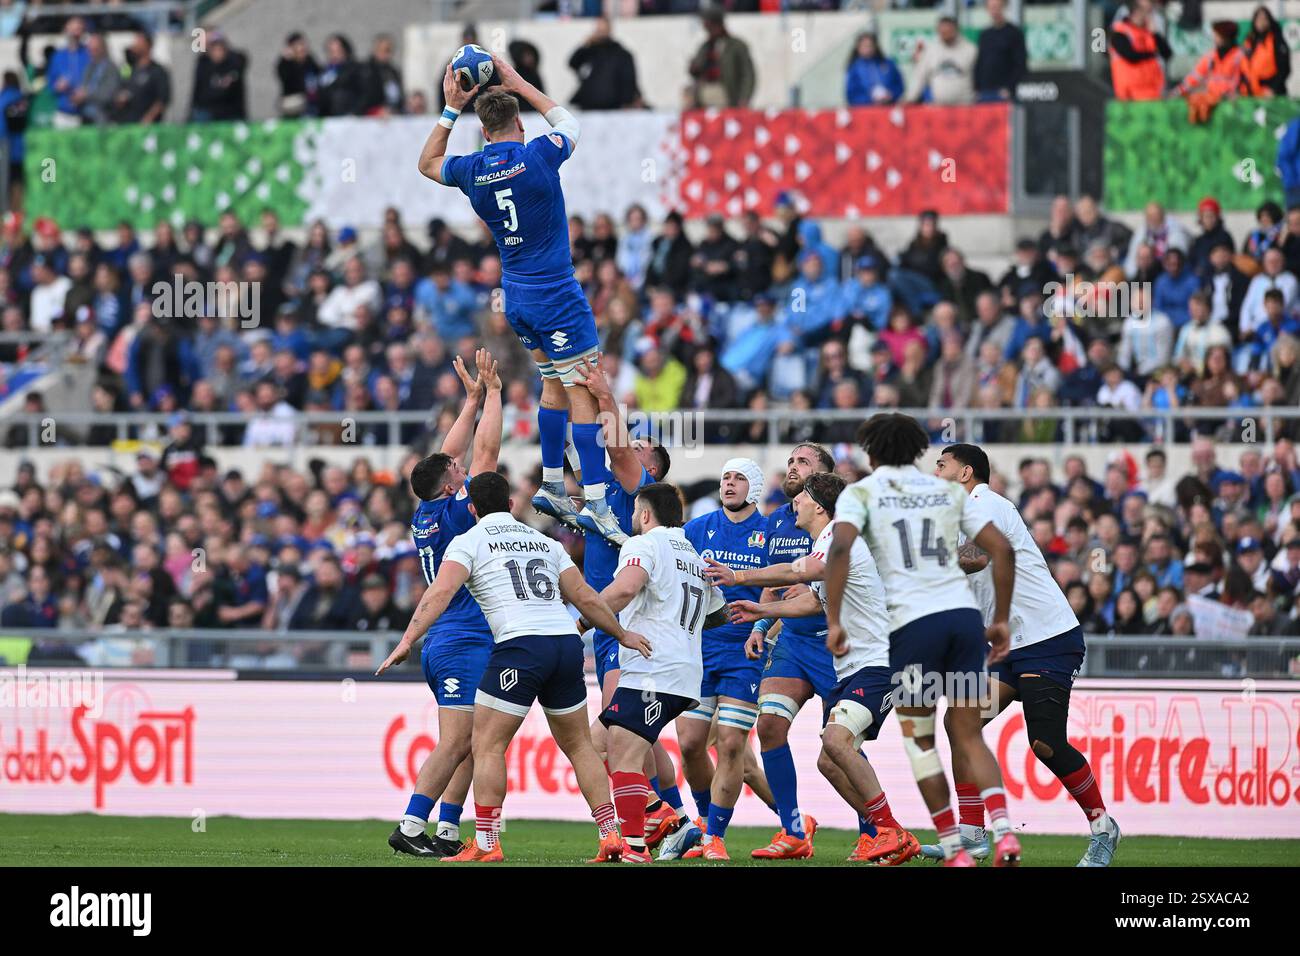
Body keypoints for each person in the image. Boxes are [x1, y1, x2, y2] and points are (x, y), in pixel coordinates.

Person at [376, 471, 649, 863]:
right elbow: (586, 597)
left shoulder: (467, 541)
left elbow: (439, 593)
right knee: (579, 746)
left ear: (472, 508)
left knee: (486, 745)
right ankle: (609, 833)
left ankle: (487, 843)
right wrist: (621, 634)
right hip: (566, 645)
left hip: (520, 647)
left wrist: (407, 641)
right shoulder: (545, 541)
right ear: (510, 505)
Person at [419, 54, 623, 543]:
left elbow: (426, 163)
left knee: (552, 382)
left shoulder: (472, 170)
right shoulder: (538, 155)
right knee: (585, 392)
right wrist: (517, 81)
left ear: (483, 132)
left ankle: (552, 484)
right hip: (556, 294)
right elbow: (569, 122)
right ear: (519, 124)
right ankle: (595, 498)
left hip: (515, 298)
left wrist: (450, 110)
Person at [823, 413, 1020, 867]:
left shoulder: (863, 493)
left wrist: (834, 619)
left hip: (916, 627)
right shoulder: (948, 491)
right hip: (964, 621)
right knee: (969, 734)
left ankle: (955, 847)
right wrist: (1003, 619)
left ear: (872, 452)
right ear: (916, 451)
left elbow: (838, 551)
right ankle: (1005, 831)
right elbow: (1001, 550)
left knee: (922, 738)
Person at [717, 469, 921, 865]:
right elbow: (812, 601)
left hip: (878, 664)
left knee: (835, 742)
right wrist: (763, 609)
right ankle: (888, 833)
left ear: (820, 506)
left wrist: (739, 576)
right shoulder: (828, 541)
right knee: (829, 758)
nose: (795, 501)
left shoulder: (839, 537)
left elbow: (801, 571)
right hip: (852, 667)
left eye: (803, 496)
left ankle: (889, 830)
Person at [933, 444, 1122, 866]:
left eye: (941, 465)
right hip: (1009, 644)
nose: (935, 472)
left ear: (965, 473)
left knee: (1045, 743)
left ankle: (1103, 827)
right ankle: (972, 835)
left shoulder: (985, 502)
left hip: (1049, 637)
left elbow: (980, 557)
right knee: (959, 719)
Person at [385, 350, 501, 858]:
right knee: (457, 742)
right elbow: (486, 457)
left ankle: (449, 830)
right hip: (461, 638)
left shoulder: (427, 511)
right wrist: (494, 395)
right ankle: (410, 826)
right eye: (458, 471)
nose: (461, 465)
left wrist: (470, 399)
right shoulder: (457, 512)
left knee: (475, 741)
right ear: (454, 486)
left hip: (456, 638)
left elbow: (445, 458)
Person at [567, 359, 679, 851]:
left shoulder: (641, 491)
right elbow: (591, 440)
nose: (627, 449)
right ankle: (670, 820)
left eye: (638, 449)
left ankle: (653, 820)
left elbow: (610, 441)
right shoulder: (611, 491)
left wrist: (605, 394)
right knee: (634, 738)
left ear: (649, 469)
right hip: (611, 620)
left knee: (610, 738)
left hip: (619, 620)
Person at [584, 482, 728, 863]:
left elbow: (623, 590)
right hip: (682, 671)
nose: (633, 519)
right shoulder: (694, 556)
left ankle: (634, 844)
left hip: (652, 669)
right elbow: (717, 615)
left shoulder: (644, 544)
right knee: (598, 743)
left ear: (645, 514)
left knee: (625, 758)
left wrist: (581, 623)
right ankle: (666, 820)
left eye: (634, 513)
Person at [676, 459, 771, 861]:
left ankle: (714, 836)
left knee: (732, 744)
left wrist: (762, 629)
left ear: (755, 487)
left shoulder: (771, 533)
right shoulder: (696, 530)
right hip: (699, 650)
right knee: (690, 744)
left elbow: (780, 590)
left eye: (738, 478)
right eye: (725, 477)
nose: (729, 483)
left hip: (744, 652)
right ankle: (707, 820)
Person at [1176, 20, 1249, 124]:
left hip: (1231, 104)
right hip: (1211, 103)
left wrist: (1240, 94)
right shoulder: (1211, 56)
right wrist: (1177, 92)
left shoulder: (1240, 55)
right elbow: (1194, 77)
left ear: (1225, 37)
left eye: (1217, 35)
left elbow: (1247, 78)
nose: (1214, 38)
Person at [569, 16, 642, 110]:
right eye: (598, 29)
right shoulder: (590, 51)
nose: (600, 32)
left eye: (602, 29)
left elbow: (629, 80)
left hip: (614, 106)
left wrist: (628, 101)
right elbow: (572, 63)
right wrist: (585, 45)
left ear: (609, 30)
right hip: (589, 105)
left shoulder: (621, 54)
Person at [688, 10, 755, 108]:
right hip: (704, 89)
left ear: (718, 25)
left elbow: (748, 74)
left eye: (710, 27)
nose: (708, 31)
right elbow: (697, 70)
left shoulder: (736, 46)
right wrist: (694, 68)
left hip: (726, 93)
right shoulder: (706, 47)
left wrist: (744, 98)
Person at [1108, 0, 1170, 100]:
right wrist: (1152, 54)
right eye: (1146, 10)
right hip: (1130, 96)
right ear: (1136, 12)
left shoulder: (1150, 32)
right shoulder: (1121, 32)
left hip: (1154, 94)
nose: (1149, 14)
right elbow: (1130, 55)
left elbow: (1167, 53)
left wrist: (1155, 34)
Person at [906, 16, 976, 105]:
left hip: (965, 108)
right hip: (939, 108)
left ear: (956, 29)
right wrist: (909, 98)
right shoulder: (931, 50)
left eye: (948, 31)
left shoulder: (970, 49)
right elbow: (919, 77)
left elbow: (979, 78)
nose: (945, 34)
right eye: (942, 31)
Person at [974, 0, 1026, 102]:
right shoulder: (985, 34)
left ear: (1004, 7)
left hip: (1004, 93)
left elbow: (1020, 64)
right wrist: (977, 88)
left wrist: (1009, 88)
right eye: (991, 7)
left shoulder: (1014, 33)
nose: (995, 11)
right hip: (984, 93)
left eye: (997, 7)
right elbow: (979, 63)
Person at [1242, 5, 1290, 97]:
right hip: (1251, 94)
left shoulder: (1276, 39)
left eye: (1264, 19)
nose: (1261, 22)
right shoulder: (1249, 41)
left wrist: (1273, 89)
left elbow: (1284, 68)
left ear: (1269, 21)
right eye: (1258, 19)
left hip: (1271, 94)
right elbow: (1243, 67)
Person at [844, 32, 903, 106]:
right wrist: (870, 99)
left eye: (870, 45)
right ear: (858, 48)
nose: (868, 49)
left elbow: (899, 85)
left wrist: (891, 95)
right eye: (864, 46)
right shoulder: (854, 68)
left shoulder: (888, 63)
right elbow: (851, 94)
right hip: (865, 111)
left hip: (888, 108)